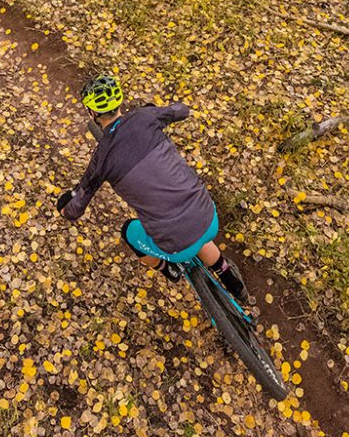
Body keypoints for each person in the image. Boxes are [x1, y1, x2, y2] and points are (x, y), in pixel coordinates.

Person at [56, 74, 248, 301]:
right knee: (196, 231)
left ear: (92, 113)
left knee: (128, 231)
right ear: (119, 102)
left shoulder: (102, 158)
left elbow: (74, 209)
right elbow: (182, 110)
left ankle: (168, 269)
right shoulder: (145, 117)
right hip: (208, 216)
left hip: (175, 245)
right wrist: (154, 110)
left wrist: (64, 205)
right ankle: (231, 280)